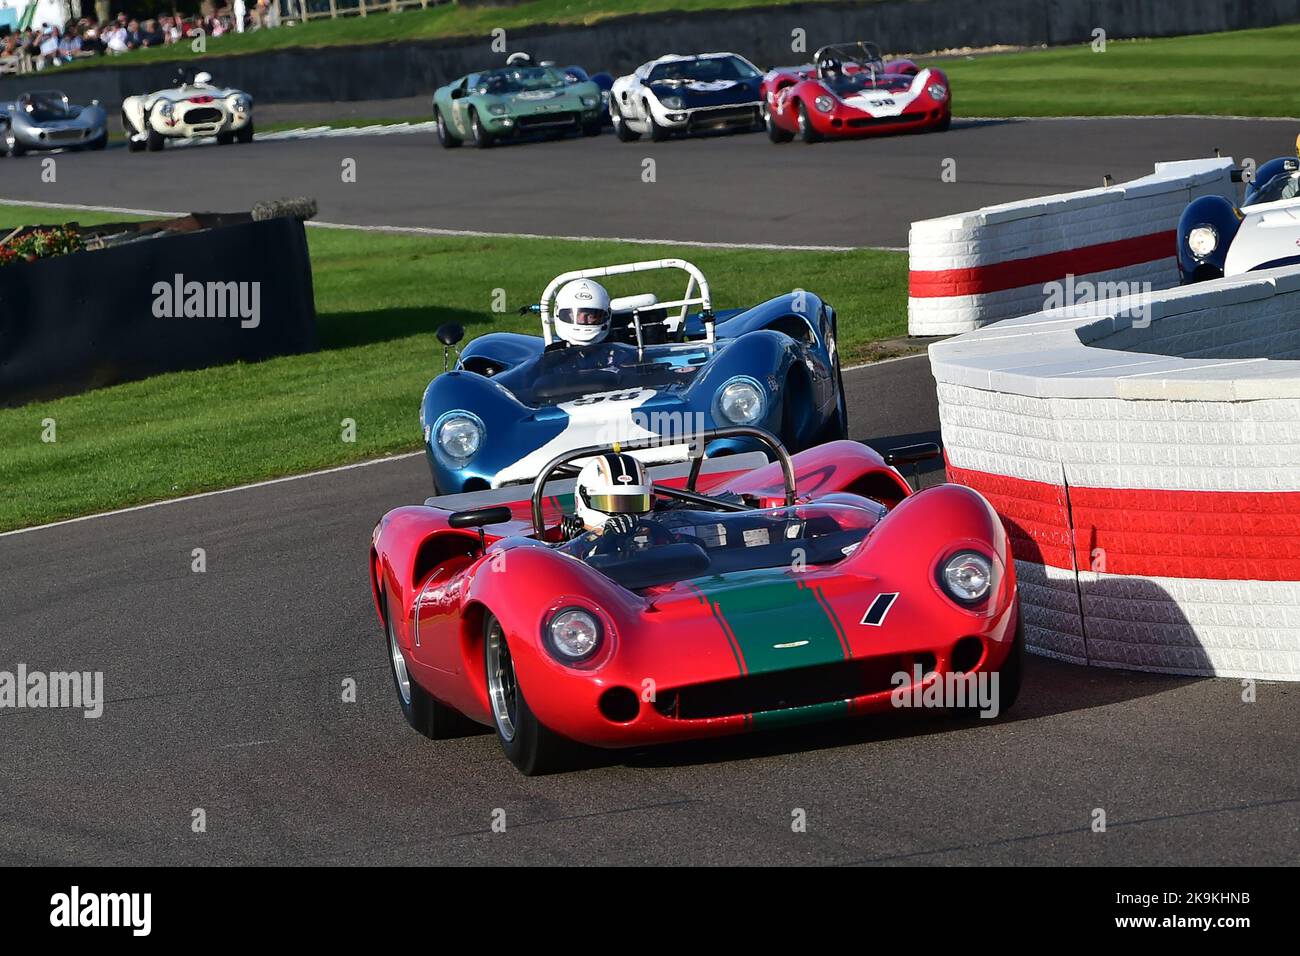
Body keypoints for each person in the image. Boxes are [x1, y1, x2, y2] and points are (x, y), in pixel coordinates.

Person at [559, 453, 654, 542]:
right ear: (581, 501)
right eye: (613, 504)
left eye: (635, 504)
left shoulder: (660, 534)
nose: (624, 516)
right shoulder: (557, 542)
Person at [552, 277, 613, 347]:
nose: (582, 321)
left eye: (590, 316)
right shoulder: (553, 351)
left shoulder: (615, 349)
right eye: (576, 315)